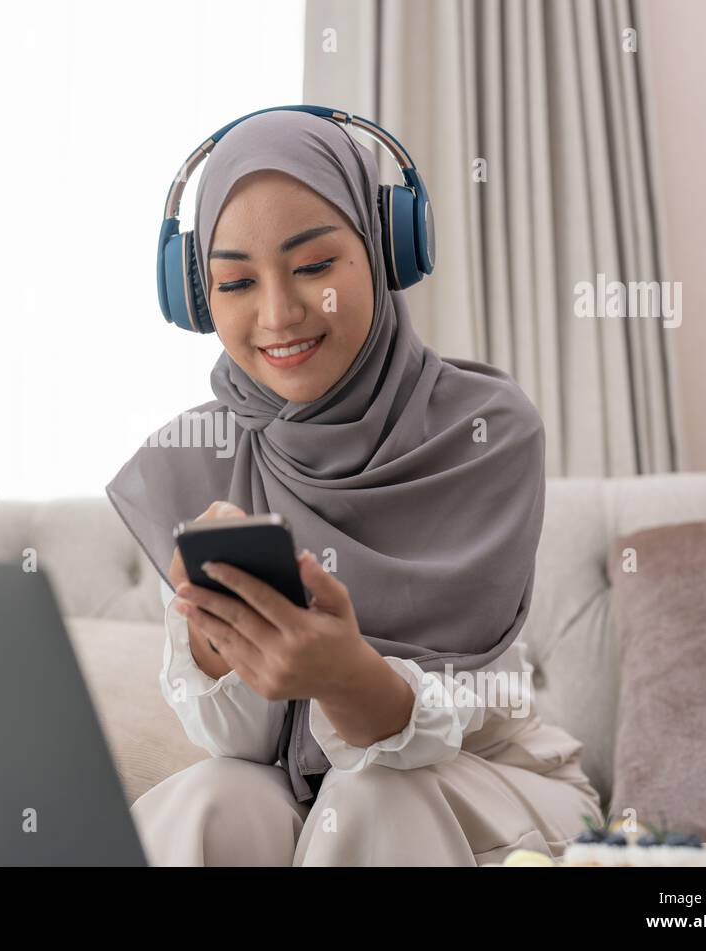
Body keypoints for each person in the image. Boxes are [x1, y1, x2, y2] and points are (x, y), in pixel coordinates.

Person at [106, 108, 602, 866]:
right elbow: (244, 748)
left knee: (375, 790)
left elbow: (460, 718)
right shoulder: (195, 457)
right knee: (211, 796)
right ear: (199, 298)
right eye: (236, 281)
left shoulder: (485, 429)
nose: (278, 314)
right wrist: (216, 646)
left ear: (384, 249)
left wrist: (347, 676)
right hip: (307, 791)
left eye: (312, 267)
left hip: (489, 775)